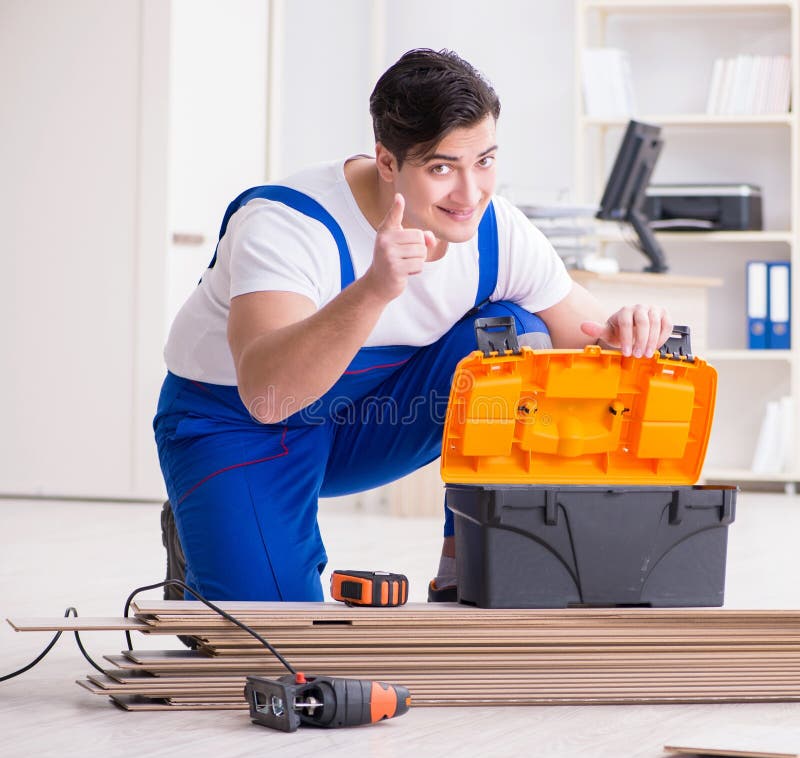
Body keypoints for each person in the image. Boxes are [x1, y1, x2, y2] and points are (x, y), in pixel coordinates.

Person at [154, 48, 672, 604]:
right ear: (387, 162)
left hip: (372, 414)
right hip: (238, 422)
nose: (470, 194)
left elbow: (582, 340)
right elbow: (267, 396)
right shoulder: (287, 225)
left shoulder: (499, 231)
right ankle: (201, 533)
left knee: (518, 334)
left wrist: (624, 333)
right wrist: (373, 290)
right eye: (441, 168)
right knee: (277, 638)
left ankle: (470, 565)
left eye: (485, 161)